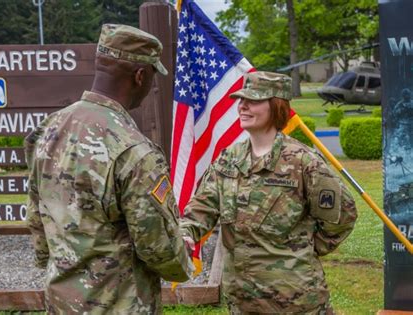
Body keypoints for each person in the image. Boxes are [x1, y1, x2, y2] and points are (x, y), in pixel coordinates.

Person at [25, 24, 192, 314]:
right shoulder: (134, 151)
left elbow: (37, 213)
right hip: (119, 304)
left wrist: (47, 259)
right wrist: (182, 256)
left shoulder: (48, 129)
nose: (153, 85)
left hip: (62, 302)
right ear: (140, 76)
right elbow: (157, 247)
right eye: (152, 75)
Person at [180, 71, 357, 314]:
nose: (242, 106)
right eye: (241, 100)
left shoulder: (303, 162)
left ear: (276, 106)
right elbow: (202, 208)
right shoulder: (229, 160)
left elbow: (342, 216)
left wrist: (303, 250)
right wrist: (187, 233)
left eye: (253, 100)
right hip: (242, 301)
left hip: (295, 301)